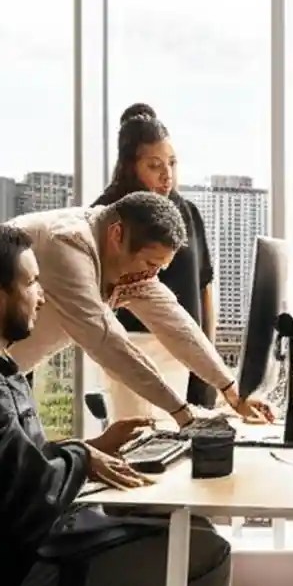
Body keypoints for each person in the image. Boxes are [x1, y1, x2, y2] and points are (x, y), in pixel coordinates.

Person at [0, 221, 232, 586]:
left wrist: (89, 447)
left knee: (186, 526)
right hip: (13, 581)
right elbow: (30, 491)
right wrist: (81, 456)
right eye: (33, 283)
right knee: (206, 550)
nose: (41, 299)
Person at [0, 191, 273, 428]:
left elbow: (176, 322)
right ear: (116, 235)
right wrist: (182, 414)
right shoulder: (69, 244)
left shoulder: (129, 268)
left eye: (160, 269)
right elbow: (106, 342)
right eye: (149, 264)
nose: (151, 276)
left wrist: (232, 390)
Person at [93, 103, 221, 419]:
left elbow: (205, 286)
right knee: (143, 441)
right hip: (134, 348)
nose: (167, 175)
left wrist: (208, 353)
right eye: (154, 165)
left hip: (187, 349)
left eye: (172, 163)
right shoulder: (108, 214)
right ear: (129, 166)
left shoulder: (187, 212)